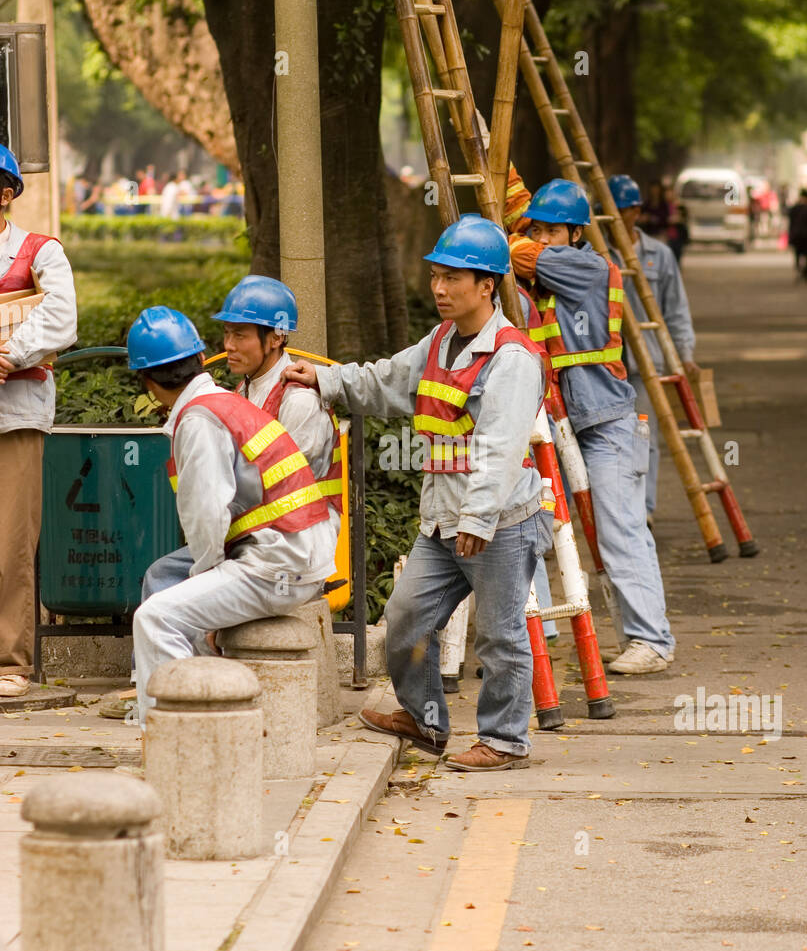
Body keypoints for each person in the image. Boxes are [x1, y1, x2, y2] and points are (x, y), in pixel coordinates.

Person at [282, 216, 552, 772]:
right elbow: (385, 380)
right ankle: (424, 718)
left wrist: (477, 519)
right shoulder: (438, 342)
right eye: (435, 275)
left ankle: (504, 741)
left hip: (496, 524)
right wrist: (325, 381)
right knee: (404, 620)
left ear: (487, 286)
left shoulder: (512, 358)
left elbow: (500, 449)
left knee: (500, 637)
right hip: (442, 523)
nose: (439, 288)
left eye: (453, 278)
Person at [127, 307, 340, 729]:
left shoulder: (200, 417)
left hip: (278, 563)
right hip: (292, 556)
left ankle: (175, 739)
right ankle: (216, 727)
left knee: (156, 616)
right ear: (198, 359)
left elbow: (206, 516)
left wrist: (208, 597)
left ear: (148, 382)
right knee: (177, 609)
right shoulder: (222, 401)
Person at [508, 176, 675, 675]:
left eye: (552, 231)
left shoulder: (586, 267)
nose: (541, 239)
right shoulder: (547, 274)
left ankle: (652, 641)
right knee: (529, 524)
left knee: (621, 530)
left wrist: (509, 234)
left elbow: (520, 254)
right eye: (536, 229)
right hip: (558, 424)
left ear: (575, 234)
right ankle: (541, 630)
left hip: (606, 424)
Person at [0, 145, 77, 698]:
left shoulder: (39, 251)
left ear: (5, 194)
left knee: (10, 539)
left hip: (15, 413)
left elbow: (61, 318)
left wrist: (8, 352)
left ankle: (10, 659)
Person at [607, 174, 700, 522]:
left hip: (648, 366)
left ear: (636, 211)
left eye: (624, 209)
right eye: (611, 210)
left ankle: (643, 509)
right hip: (604, 366)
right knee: (607, 441)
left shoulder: (659, 256)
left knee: (644, 437)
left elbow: (676, 309)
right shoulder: (591, 256)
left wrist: (684, 354)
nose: (618, 216)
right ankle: (613, 510)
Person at [787, 188, 807, 281]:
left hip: (796, 234)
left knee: (797, 254)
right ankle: (806, 274)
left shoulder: (795, 207)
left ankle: (799, 271)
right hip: (806, 235)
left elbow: (790, 221)